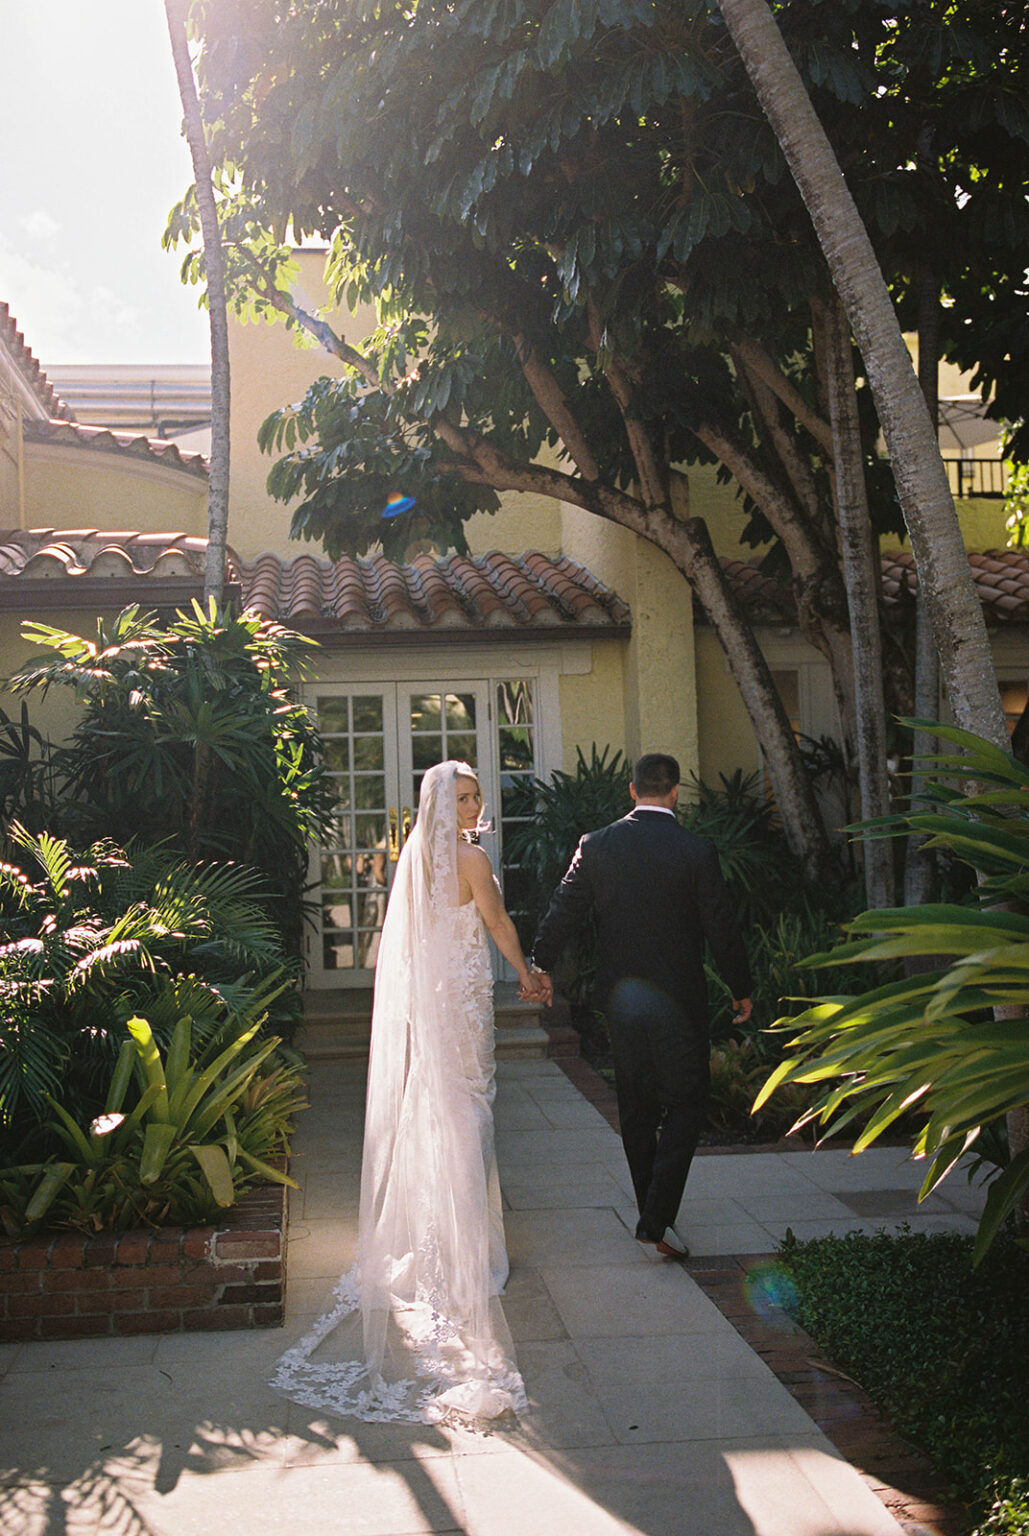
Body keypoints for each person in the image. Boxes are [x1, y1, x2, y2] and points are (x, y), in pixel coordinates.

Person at [272, 761, 538, 1424]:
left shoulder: (414, 857)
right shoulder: (469, 860)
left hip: (435, 1005)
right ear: (444, 803)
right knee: (468, 1116)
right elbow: (498, 924)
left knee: (443, 1114)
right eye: (467, 796)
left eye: (478, 795)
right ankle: (469, 1257)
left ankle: (440, 1241)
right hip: (464, 1005)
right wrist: (527, 974)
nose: (477, 805)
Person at [530, 752, 753, 1260]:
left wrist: (539, 962)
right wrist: (740, 987)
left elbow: (564, 908)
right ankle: (655, 1218)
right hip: (680, 1000)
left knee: (636, 1106)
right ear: (675, 792)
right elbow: (722, 926)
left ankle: (654, 1213)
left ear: (632, 791)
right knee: (688, 1102)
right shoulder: (696, 850)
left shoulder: (597, 845)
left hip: (621, 1000)